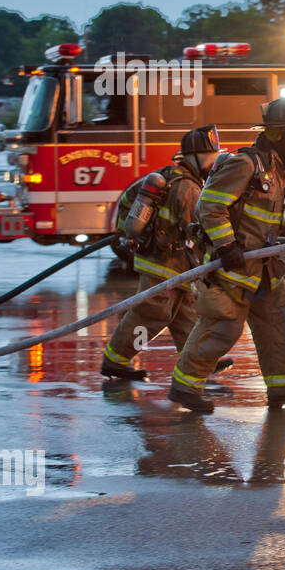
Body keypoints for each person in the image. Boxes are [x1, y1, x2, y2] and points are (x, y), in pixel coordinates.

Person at [168, 98, 285, 413]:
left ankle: (281, 390)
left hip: (268, 269)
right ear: (279, 134)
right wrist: (226, 246)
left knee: (279, 328)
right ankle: (185, 388)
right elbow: (210, 207)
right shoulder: (245, 164)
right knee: (221, 330)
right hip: (234, 267)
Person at [101, 124, 228, 381]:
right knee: (152, 312)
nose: (212, 164)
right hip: (163, 262)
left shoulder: (174, 177)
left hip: (175, 261)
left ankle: (200, 362)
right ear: (193, 157)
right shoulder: (188, 187)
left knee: (187, 312)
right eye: (209, 158)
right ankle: (114, 362)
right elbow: (200, 227)